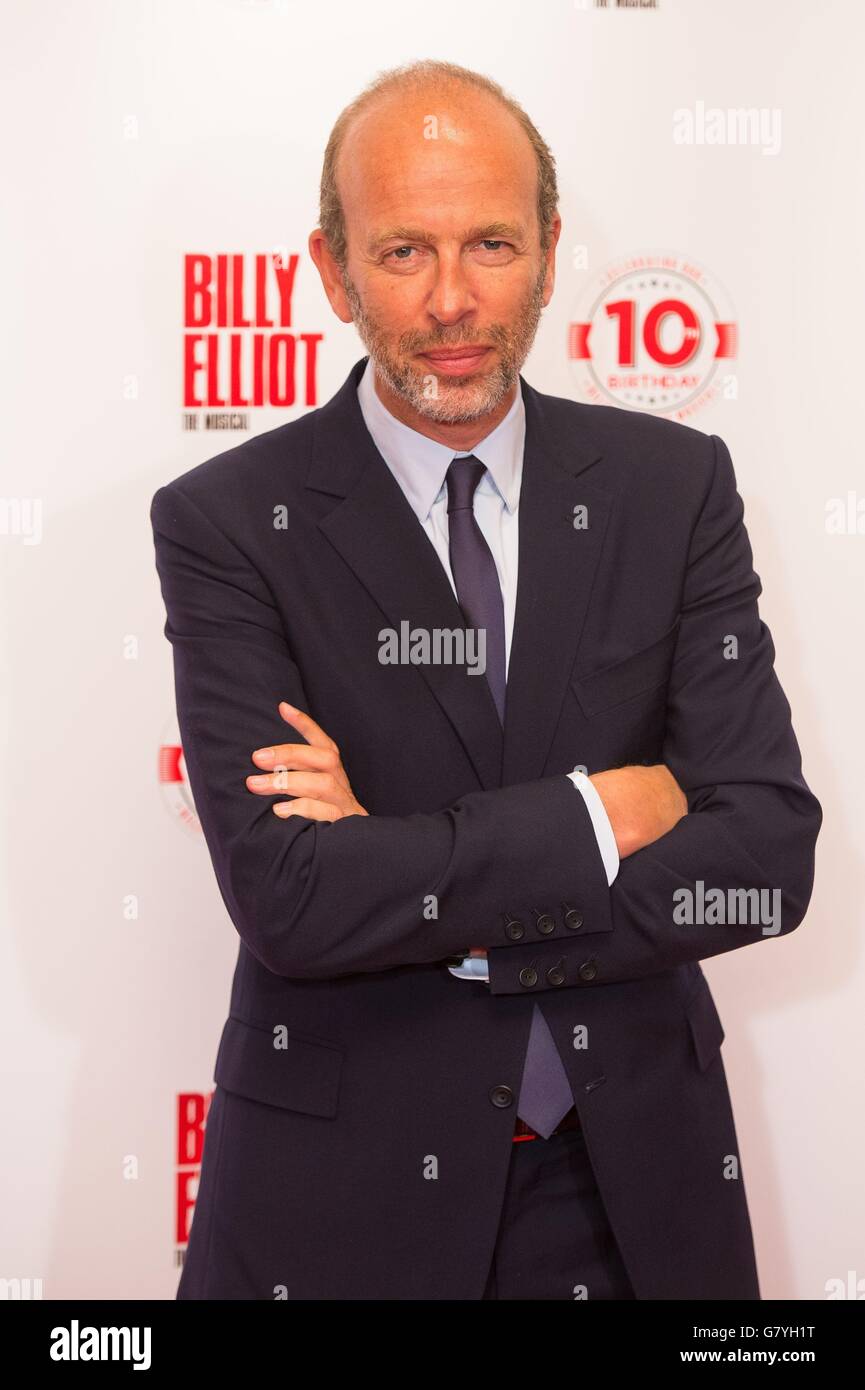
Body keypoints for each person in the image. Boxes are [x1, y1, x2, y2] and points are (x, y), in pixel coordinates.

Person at [151, 59, 822, 1300]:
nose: (453, 301)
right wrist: (596, 816)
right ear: (332, 267)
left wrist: (430, 893)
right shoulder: (233, 521)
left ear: (552, 252)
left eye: (493, 245)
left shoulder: (671, 491)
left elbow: (764, 859)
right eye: (403, 251)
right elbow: (294, 898)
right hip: (337, 1204)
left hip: (637, 1193)